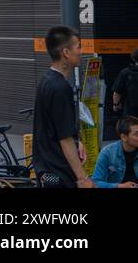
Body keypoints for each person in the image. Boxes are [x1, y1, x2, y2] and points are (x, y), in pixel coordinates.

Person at [33, 25, 93, 188]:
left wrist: (77, 142)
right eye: (78, 47)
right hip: (59, 175)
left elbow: (55, 128)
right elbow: (64, 138)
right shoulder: (60, 88)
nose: (81, 51)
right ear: (66, 53)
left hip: (46, 170)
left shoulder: (47, 80)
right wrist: (83, 178)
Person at [91, 116, 138, 188]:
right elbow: (95, 183)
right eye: (137, 134)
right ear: (124, 137)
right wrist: (119, 186)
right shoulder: (108, 153)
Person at [112, 49, 138, 119]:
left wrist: (116, 104)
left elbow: (117, 92)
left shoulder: (125, 72)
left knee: (131, 128)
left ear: (134, 59)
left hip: (130, 111)